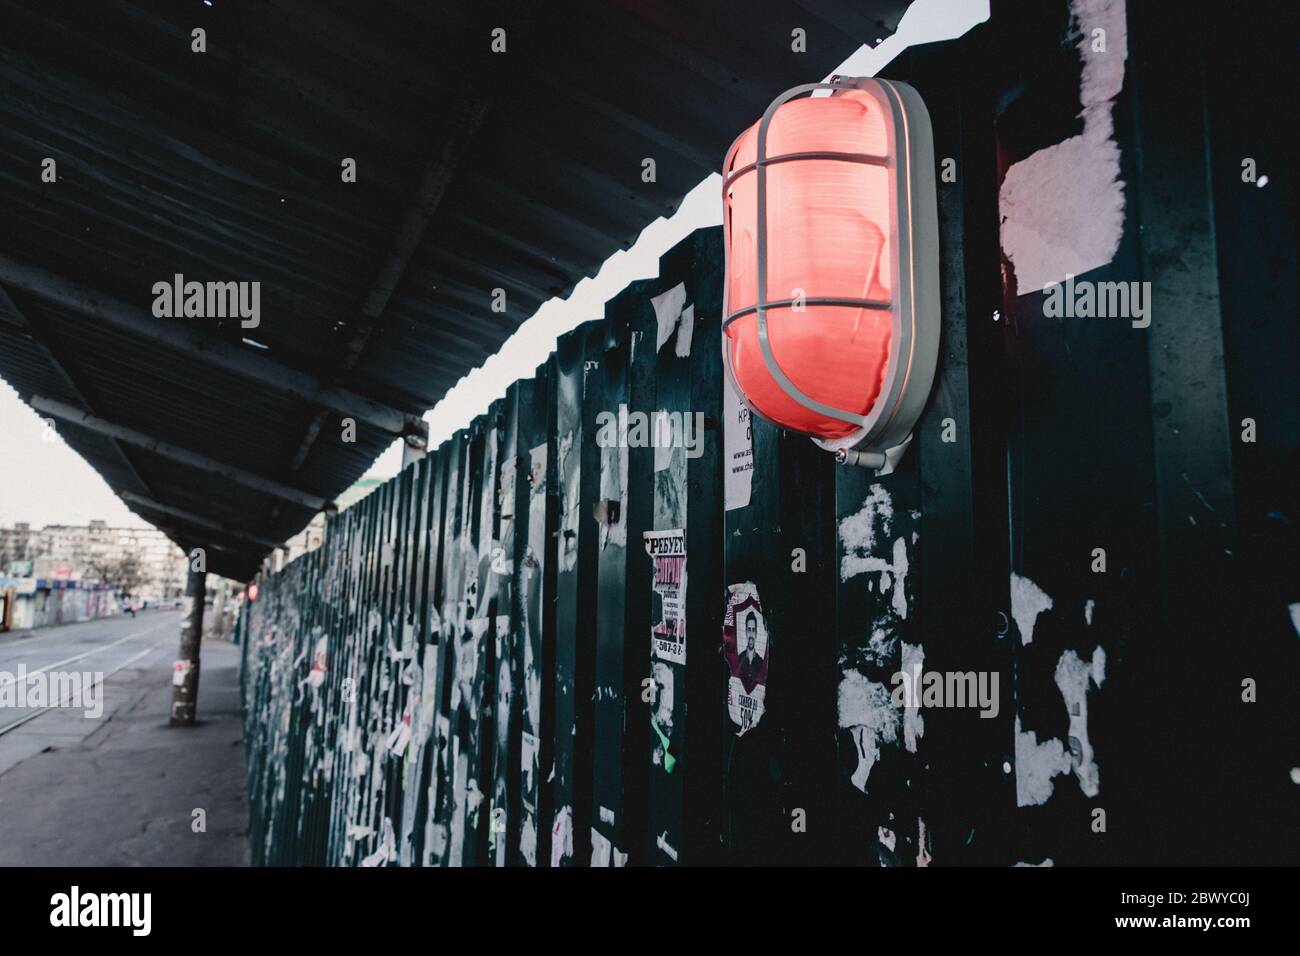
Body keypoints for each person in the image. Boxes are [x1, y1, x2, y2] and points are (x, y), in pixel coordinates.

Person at [738, 612, 763, 688]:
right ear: (745, 632)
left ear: (756, 633)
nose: (751, 634)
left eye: (753, 630)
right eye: (749, 629)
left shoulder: (761, 662)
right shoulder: (739, 659)